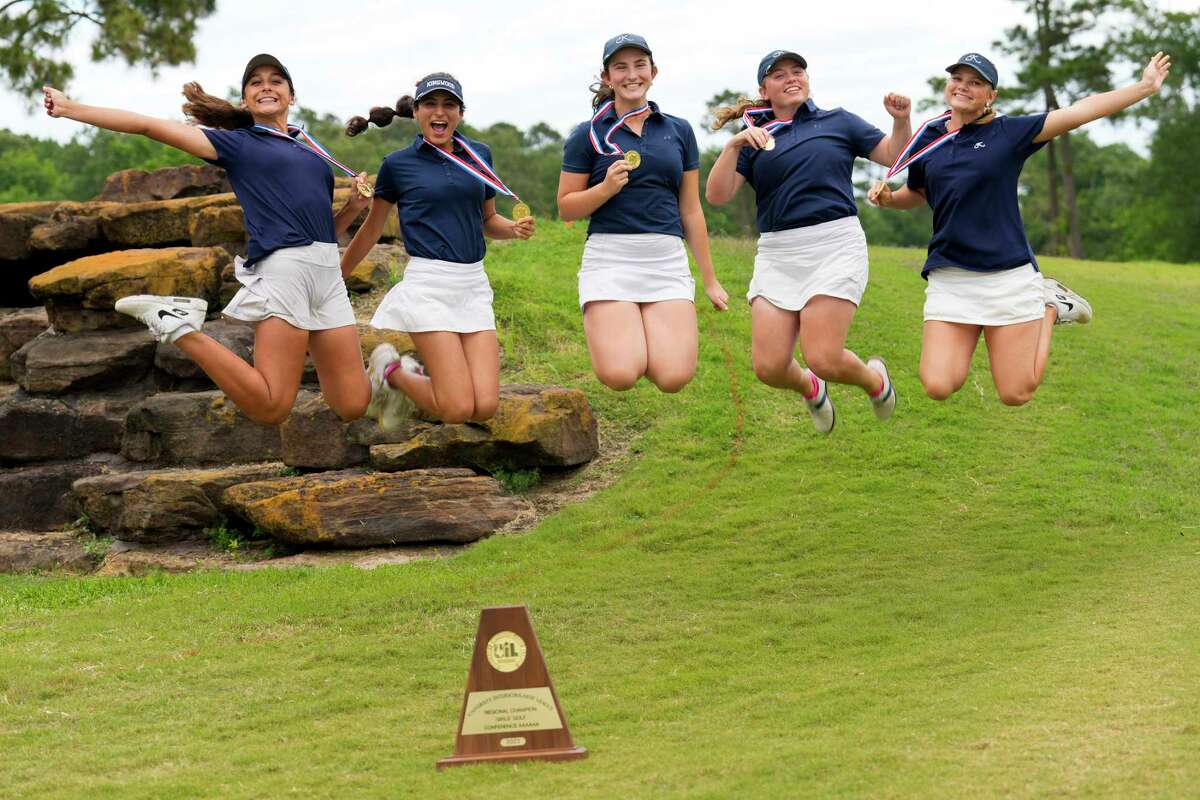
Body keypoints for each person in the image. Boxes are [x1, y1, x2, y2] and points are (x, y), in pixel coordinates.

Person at [42, 53, 373, 425]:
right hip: (286, 271)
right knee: (271, 407)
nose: (266, 86)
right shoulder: (238, 144)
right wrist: (71, 108)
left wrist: (353, 207)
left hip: (326, 272)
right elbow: (147, 126)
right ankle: (177, 325)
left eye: (276, 80)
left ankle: (393, 374)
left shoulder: (309, 150)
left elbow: (323, 229)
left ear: (291, 96)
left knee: (352, 403)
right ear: (245, 100)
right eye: (256, 82)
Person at [868, 52, 1171, 405]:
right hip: (951, 275)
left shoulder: (1009, 133)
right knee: (938, 385)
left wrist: (1144, 87)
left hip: (1007, 275)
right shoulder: (928, 136)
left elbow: (1079, 112)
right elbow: (919, 193)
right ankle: (1045, 306)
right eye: (958, 79)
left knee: (1015, 393)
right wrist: (890, 199)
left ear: (990, 96)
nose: (963, 87)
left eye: (975, 82)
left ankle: (1050, 305)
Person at [706, 50, 910, 434]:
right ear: (764, 90)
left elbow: (893, 155)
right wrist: (733, 146)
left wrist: (900, 121)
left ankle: (875, 381)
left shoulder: (838, 121)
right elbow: (717, 196)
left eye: (797, 71)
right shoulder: (755, 137)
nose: (791, 78)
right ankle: (810, 389)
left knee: (824, 357)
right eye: (779, 74)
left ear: (807, 79)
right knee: (769, 367)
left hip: (835, 245)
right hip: (778, 252)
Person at [340, 73, 534, 429]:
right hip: (428, 286)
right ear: (416, 112)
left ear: (460, 112)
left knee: (485, 406)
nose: (439, 112)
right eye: (430, 104)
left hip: (473, 284)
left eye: (449, 105)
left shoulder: (479, 155)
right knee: (456, 409)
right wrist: (337, 275)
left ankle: (398, 372)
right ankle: (392, 372)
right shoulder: (398, 164)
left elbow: (488, 220)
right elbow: (372, 228)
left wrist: (513, 229)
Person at [558, 34, 728, 394]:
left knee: (673, 377)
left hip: (665, 261)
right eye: (620, 67)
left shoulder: (679, 130)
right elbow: (566, 207)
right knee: (620, 374)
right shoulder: (587, 134)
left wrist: (710, 280)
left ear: (654, 72)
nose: (631, 74)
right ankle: (625, 341)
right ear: (607, 78)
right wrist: (605, 189)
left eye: (640, 65)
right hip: (610, 259)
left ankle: (643, 339)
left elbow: (690, 208)